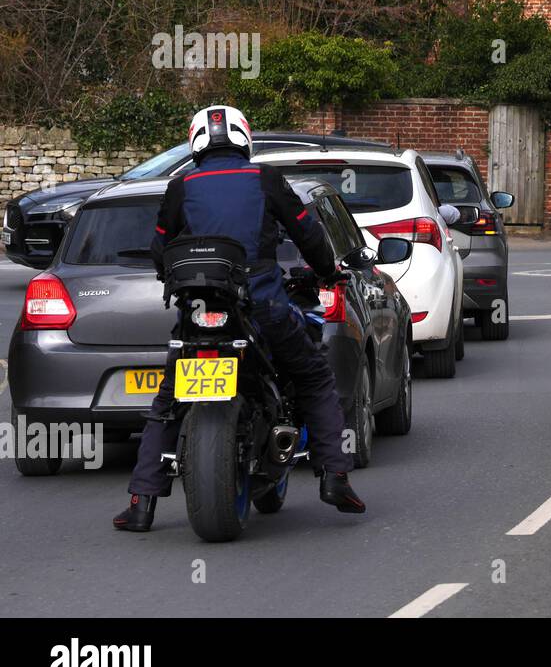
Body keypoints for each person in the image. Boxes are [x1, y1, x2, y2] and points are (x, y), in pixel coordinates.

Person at [114, 105, 364, 532]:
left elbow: (160, 249)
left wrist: (174, 276)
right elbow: (307, 234)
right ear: (243, 138)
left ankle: (142, 503)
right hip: (263, 308)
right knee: (313, 378)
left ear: (195, 142)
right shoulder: (264, 180)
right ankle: (334, 477)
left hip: (197, 314)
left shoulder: (180, 185)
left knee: (168, 402)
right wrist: (327, 272)